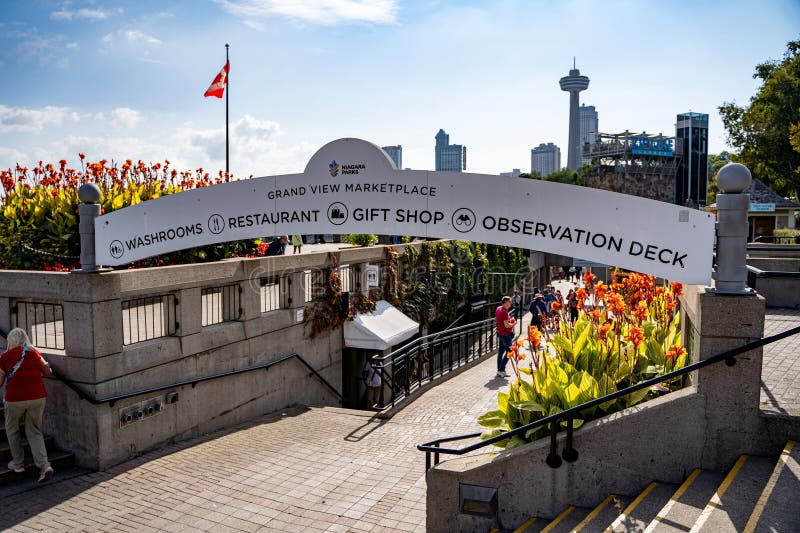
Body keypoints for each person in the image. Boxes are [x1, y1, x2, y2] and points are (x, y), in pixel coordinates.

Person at [0, 328, 54, 483]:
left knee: (12, 429)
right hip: (37, 396)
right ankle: (44, 465)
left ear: (10, 341)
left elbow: (0, 382)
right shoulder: (34, 352)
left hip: (15, 398)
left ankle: (18, 463)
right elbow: (48, 372)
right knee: (34, 430)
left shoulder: (4, 357)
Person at [495, 296, 516, 378]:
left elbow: (503, 321)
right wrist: (513, 323)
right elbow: (506, 325)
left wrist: (510, 320)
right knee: (510, 351)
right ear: (505, 302)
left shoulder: (498, 308)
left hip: (500, 332)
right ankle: (501, 369)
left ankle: (500, 371)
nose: (510, 303)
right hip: (505, 334)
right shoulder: (503, 311)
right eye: (509, 302)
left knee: (501, 352)